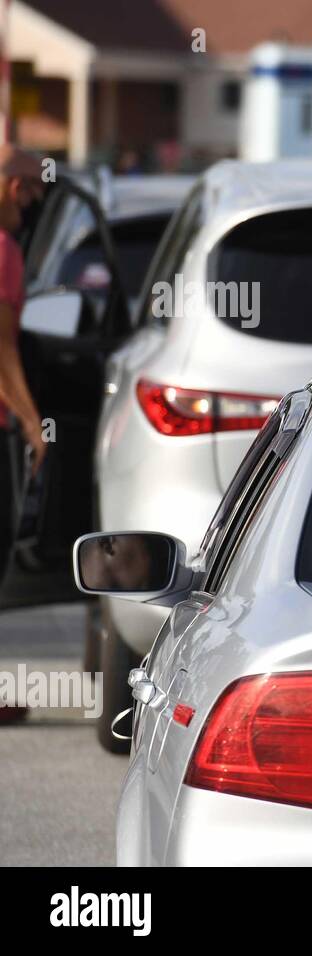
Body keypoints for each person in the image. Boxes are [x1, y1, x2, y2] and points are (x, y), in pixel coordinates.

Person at [0, 146, 45, 726]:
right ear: (14, 186)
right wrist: (35, 424)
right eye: (32, 191)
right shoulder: (6, 250)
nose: (33, 204)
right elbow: (3, 349)